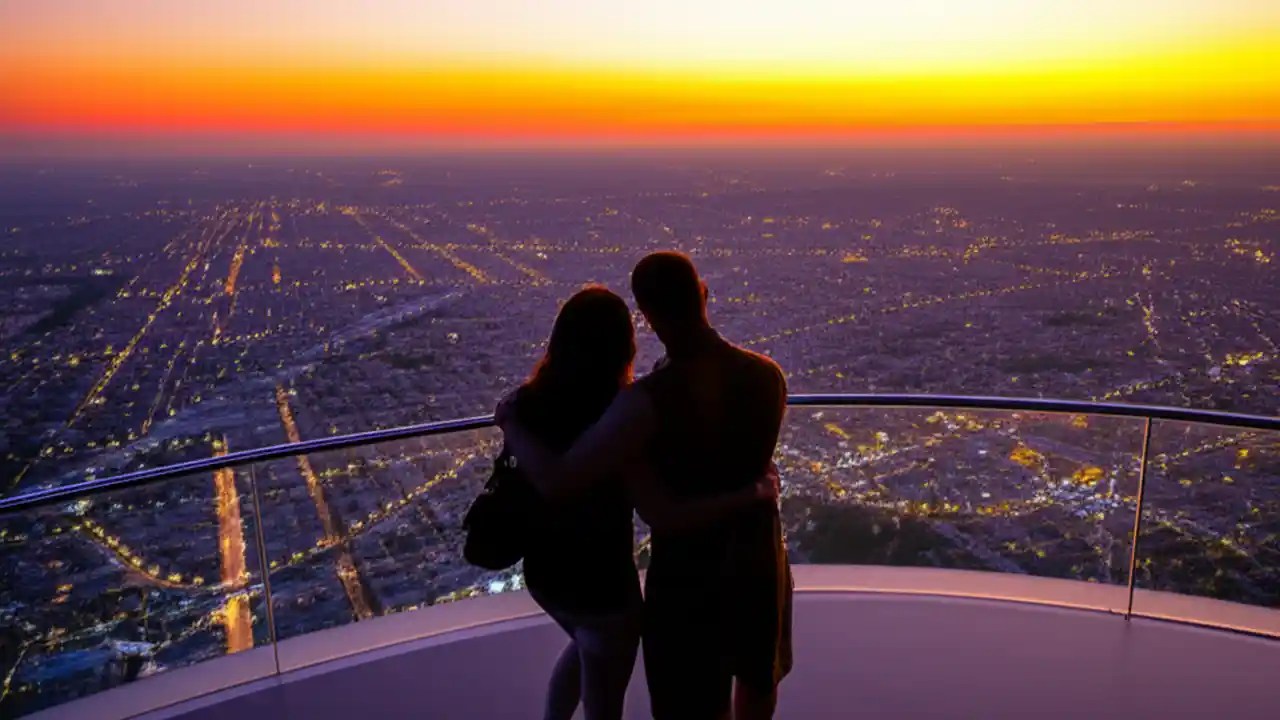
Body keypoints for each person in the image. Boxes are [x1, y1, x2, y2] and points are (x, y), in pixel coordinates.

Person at [499, 252, 793, 720]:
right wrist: (749, 495)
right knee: (757, 676)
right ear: (704, 293)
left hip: (691, 576)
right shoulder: (767, 375)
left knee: (691, 698)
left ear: (649, 317)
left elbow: (652, 509)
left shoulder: (647, 403)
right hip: (759, 557)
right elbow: (747, 463)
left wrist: (512, 423)